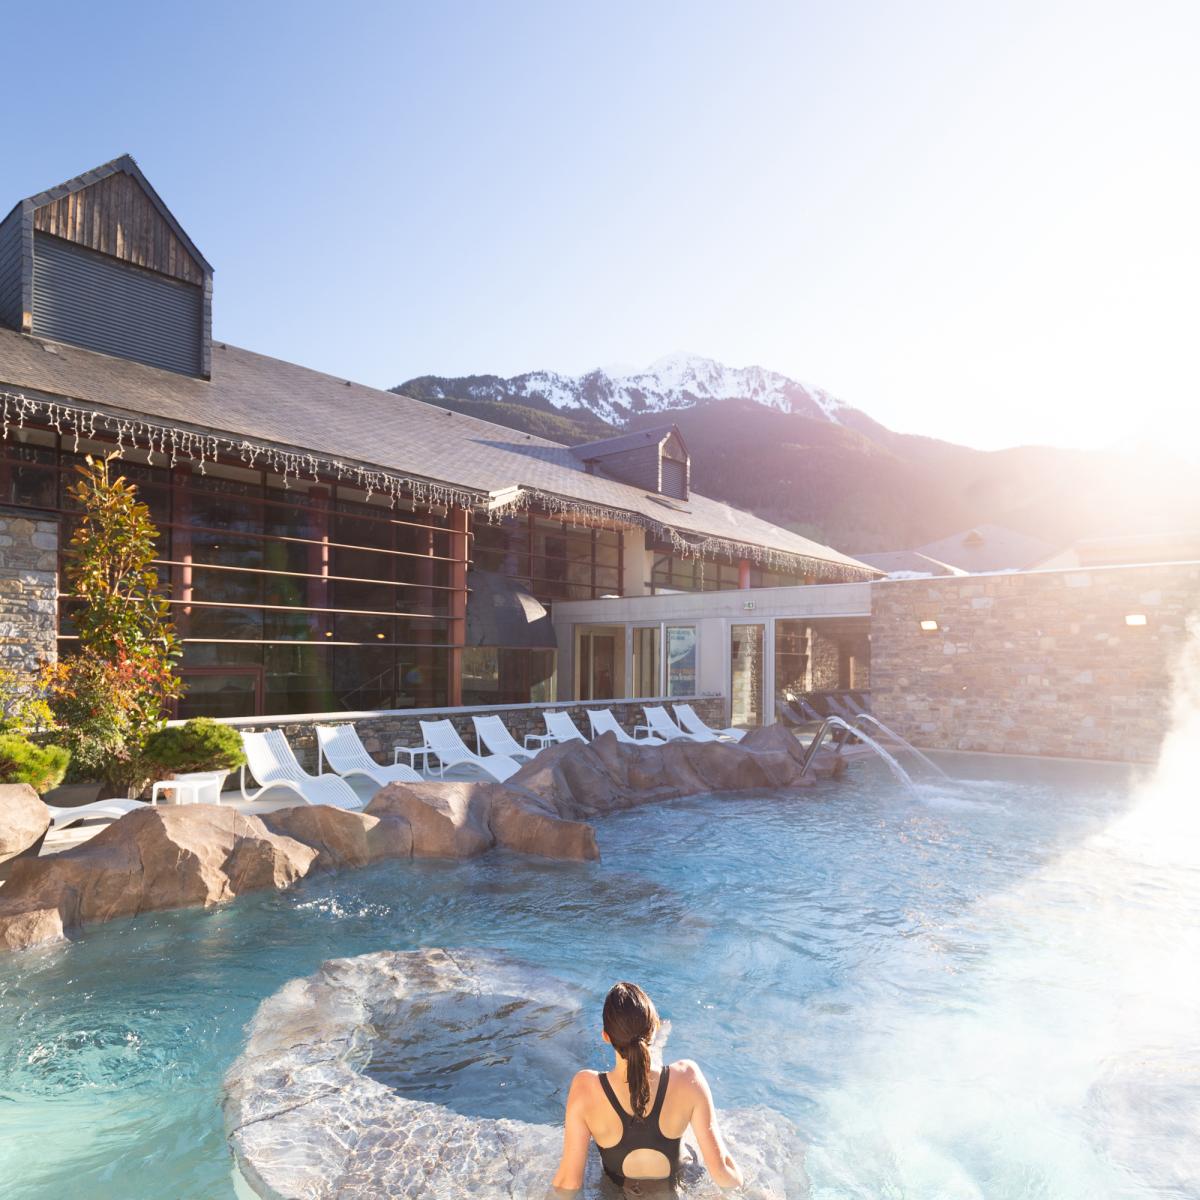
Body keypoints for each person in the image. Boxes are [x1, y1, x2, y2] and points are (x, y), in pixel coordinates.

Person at [550, 981, 744, 1194]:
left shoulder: (585, 1086)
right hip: (677, 1184)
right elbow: (723, 1173)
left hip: (616, 1191)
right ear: (655, 1027)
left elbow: (569, 1182)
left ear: (605, 1036)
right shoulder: (688, 1076)